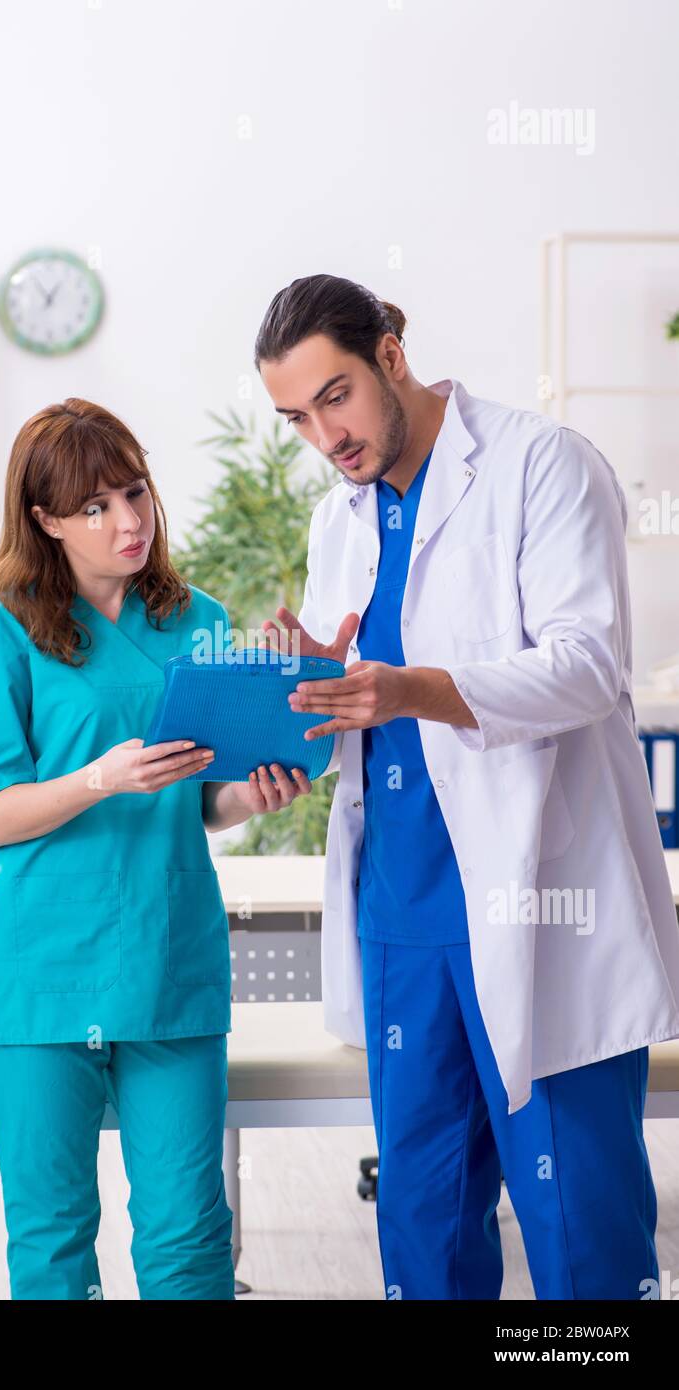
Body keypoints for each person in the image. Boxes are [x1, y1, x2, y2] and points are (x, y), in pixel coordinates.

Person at [253, 273, 679, 1300]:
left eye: (336, 396)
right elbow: (354, 705)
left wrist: (413, 688)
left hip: (540, 905)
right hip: (400, 916)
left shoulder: (543, 464)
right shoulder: (338, 521)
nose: (325, 436)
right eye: (297, 417)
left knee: (580, 1230)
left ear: (391, 354)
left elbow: (587, 667)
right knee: (424, 1225)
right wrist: (301, 690)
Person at [0, 396, 311, 1299]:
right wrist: (99, 779)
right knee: (52, 1235)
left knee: (189, 1235)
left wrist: (252, 794)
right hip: (42, 968)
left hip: (166, 958)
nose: (128, 522)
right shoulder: (3, 629)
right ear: (45, 520)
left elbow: (199, 801)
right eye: (95, 506)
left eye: (135, 493)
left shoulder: (199, 620)